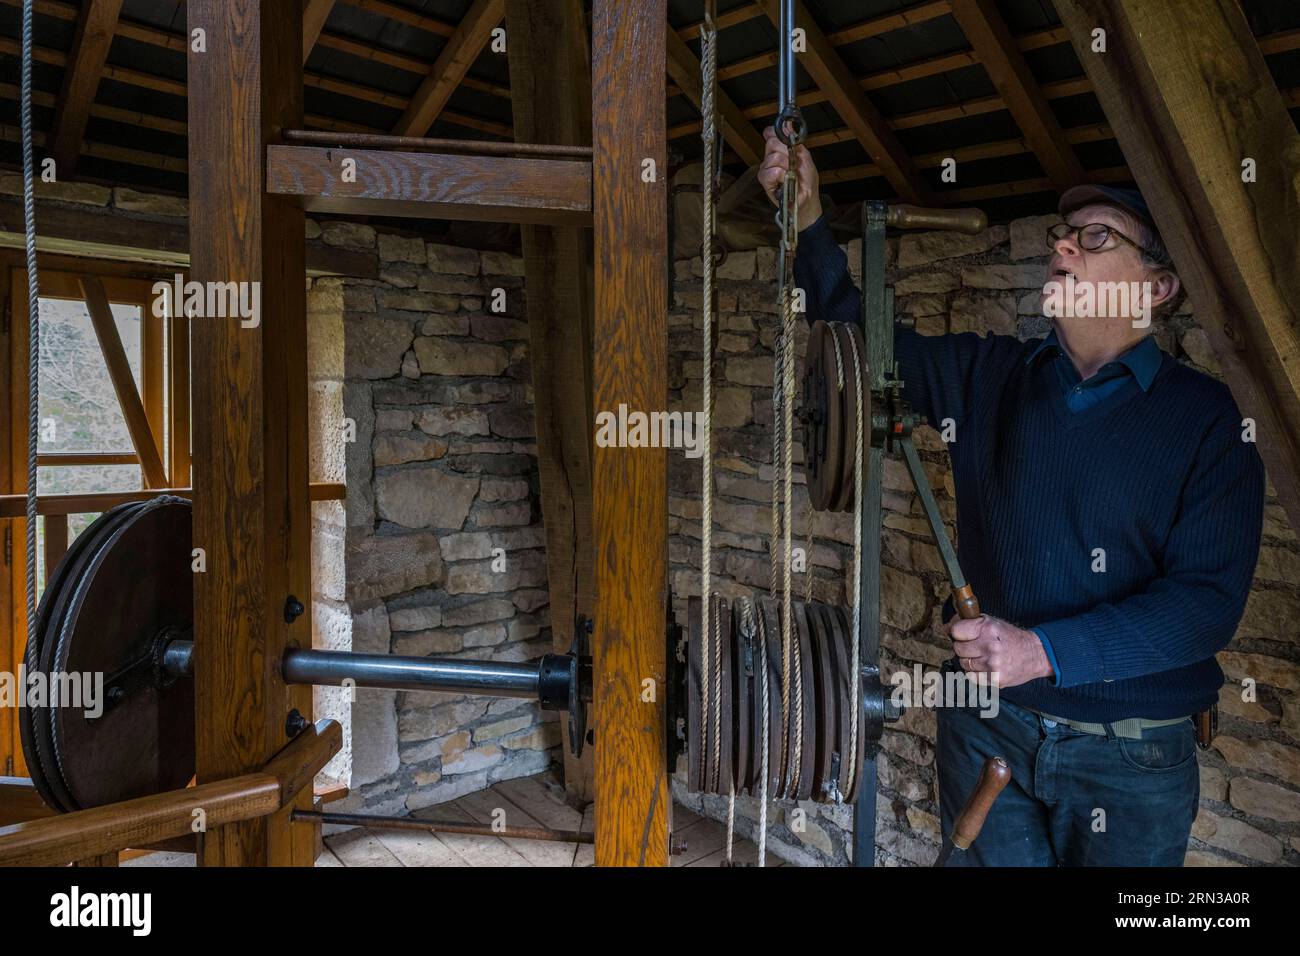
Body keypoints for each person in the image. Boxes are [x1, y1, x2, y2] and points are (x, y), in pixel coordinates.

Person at [758, 126, 1265, 866]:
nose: (1061, 248)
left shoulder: (1211, 420)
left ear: (1157, 288)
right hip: (988, 728)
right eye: (1063, 235)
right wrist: (807, 222)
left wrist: (1042, 650)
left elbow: (1204, 607)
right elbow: (860, 350)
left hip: (1131, 760)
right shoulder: (989, 376)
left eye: (1095, 237)